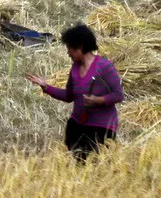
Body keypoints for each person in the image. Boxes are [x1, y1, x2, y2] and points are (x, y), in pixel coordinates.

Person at [26, 24, 125, 161]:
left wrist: (98, 100)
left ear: (80, 47)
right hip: (77, 126)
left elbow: (118, 95)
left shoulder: (104, 67)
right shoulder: (75, 69)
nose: (68, 53)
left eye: (70, 49)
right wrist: (46, 87)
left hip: (100, 128)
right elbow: (68, 96)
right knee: (77, 167)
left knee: (94, 167)